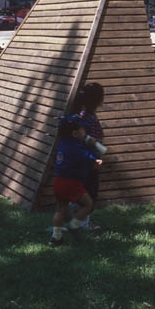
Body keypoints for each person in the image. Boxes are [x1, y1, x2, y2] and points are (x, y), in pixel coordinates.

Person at [49, 114, 102, 246]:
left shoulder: (62, 144)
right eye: (83, 130)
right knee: (88, 204)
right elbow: (92, 160)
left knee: (61, 209)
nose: (85, 132)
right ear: (74, 133)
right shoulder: (78, 149)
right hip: (71, 183)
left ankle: (56, 237)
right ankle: (74, 224)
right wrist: (93, 148)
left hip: (58, 183)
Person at [73, 82, 105, 231]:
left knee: (85, 189)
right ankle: (83, 224)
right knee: (90, 191)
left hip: (87, 158)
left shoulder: (84, 115)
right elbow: (86, 140)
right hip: (89, 160)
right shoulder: (87, 118)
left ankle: (78, 221)